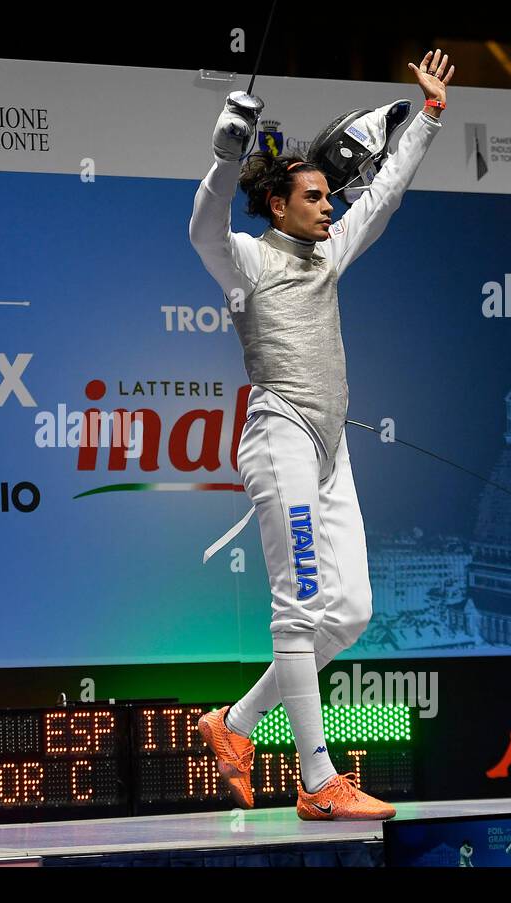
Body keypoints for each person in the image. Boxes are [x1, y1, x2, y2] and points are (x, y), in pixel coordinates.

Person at [192, 51, 454, 820]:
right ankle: (316, 783)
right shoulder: (243, 260)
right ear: (278, 206)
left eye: (328, 197)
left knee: (351, 611)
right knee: (301, 607)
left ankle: (234, 725)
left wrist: (430, 115)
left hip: (333, 449)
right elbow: (203, 221)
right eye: (314, 197)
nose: (330, 206)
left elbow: (388, 194)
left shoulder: (328, 256)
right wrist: (225, 151)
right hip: (281, 440)